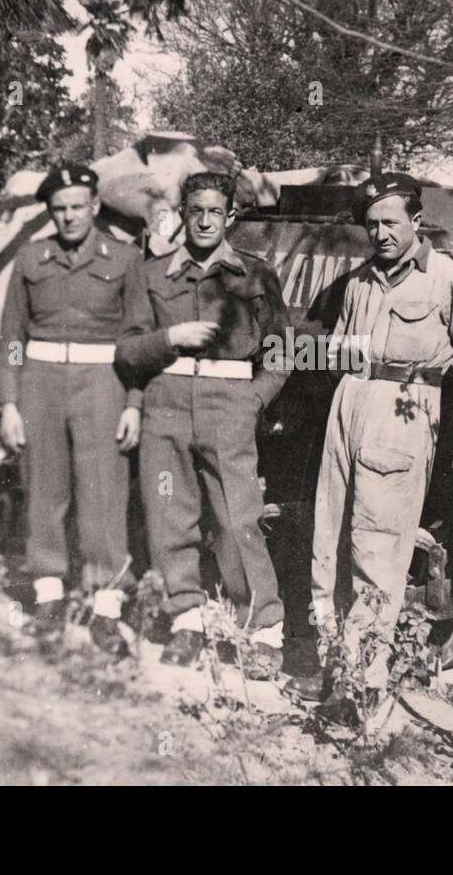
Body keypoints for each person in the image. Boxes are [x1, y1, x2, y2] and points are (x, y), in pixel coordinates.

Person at [295, 173, 453, 725]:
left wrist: (427, 372)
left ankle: (365, 686)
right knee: (329, 537)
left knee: (376, 548)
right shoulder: (362, 280)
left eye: (390, 222)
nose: (380, 233)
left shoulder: (449, 279)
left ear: (416, 221)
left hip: (402, 410)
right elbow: (342, 342)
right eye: (372, 224)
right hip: (350, 400)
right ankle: (333, 670)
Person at [116, 171, 291, 678]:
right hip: (165, 402)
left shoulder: (256, 276)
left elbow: (282, 351)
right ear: (183, 215)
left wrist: (253, 400)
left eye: (216, 211)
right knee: (170, 515)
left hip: (228, 404)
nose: (207, 220)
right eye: (197, 211)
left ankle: (262, 631)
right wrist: (169, 337)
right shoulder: (151, 276)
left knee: (240, 519)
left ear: (230, 216)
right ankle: (186, 621)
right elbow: (128, 349)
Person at [0, 162, 143, 654]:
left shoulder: (124, 259)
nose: (69, 217)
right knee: (44, 489)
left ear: (95, 206)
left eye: (78, 207)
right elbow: (11, 338)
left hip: (103, 383)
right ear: (50, 213)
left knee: (103, 493)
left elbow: (137, 339)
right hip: (40, 382)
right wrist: (10, 403)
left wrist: (134, 402)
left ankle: (106, 607)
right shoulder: (30, 259)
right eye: (59, 209)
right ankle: (49, 597)